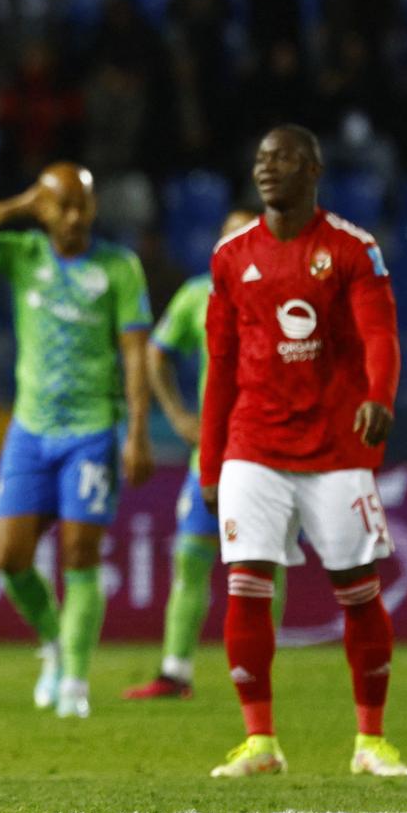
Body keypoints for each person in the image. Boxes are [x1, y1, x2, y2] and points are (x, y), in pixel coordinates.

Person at [201, 125, 407, 778]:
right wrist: (212, 461)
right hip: (253, 447)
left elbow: (380, 330)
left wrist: (380, 395)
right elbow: (222, 365)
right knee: (246, 584)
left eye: (284, 157)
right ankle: (259, 741)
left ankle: (370, 741)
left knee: (357, 589)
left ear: (314, 168)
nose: (268, 168)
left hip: (336, 447)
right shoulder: (232, 255)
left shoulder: (352, 248)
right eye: (261, 158)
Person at [0, 162, 154, 718]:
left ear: (95, 207)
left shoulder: (118, 267)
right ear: (44, 208)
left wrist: (138, 433)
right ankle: (54, 643)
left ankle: (75, 679)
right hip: (29, 429)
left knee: (81, 555)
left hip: (92, 431)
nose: (73, 215)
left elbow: (133, 354)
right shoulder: (25, 254)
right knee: (10, 557)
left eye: (82, 204)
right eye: (61, 205)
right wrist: (19, 204)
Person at [123, 209, 288, 701]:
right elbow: (157, 352)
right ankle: (175, 672)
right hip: (212, 459)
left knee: (262, 567)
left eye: (245, 234)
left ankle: (261, 670)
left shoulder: (287, 292)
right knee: (191, 560)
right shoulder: (200, 294)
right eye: (227, 234)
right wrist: (177, 416)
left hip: (270, 457)